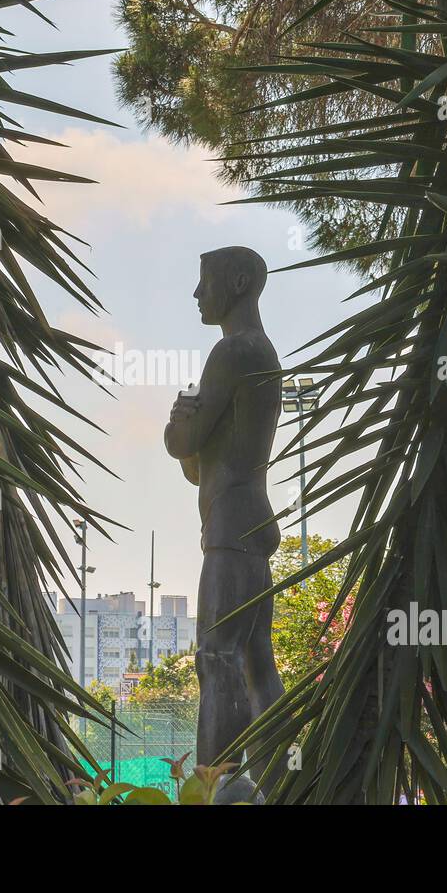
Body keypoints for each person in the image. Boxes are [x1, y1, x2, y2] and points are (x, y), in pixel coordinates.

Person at [164, 246, 285, 783]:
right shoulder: (261, 353)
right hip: (244, 517)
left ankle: (220, 788)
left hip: (231, 526)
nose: (196, 294)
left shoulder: (234, 353)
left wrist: (176, 426)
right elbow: (200, 465)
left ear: (237, 282)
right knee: (256, 662)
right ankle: (278, 784)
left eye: (204, 281)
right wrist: (187, 440)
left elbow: (183, 443)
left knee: (216, 658)